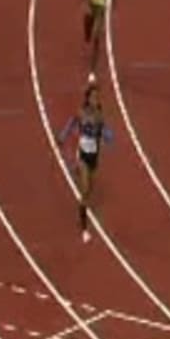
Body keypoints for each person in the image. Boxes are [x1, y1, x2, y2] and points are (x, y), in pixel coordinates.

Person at [57, 82, 113, 244]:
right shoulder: (81, 113)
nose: (96, 99)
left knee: (89, 192)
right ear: (87, 99)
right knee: (85, 189)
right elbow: (71, 123)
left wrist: (108, 135)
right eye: (93, 97)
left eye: (97, 97)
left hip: (94, 157)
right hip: (82, 155)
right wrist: (62, 136)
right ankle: (84, 228)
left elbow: (106, 133)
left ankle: (77, 172)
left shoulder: (99, 116)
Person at [84, 0, 116, 82]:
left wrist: (114, 1)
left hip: (101, 8)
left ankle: (94, 57)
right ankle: (87, 32)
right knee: (88, 21)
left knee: (96, 34)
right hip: (92, 5)